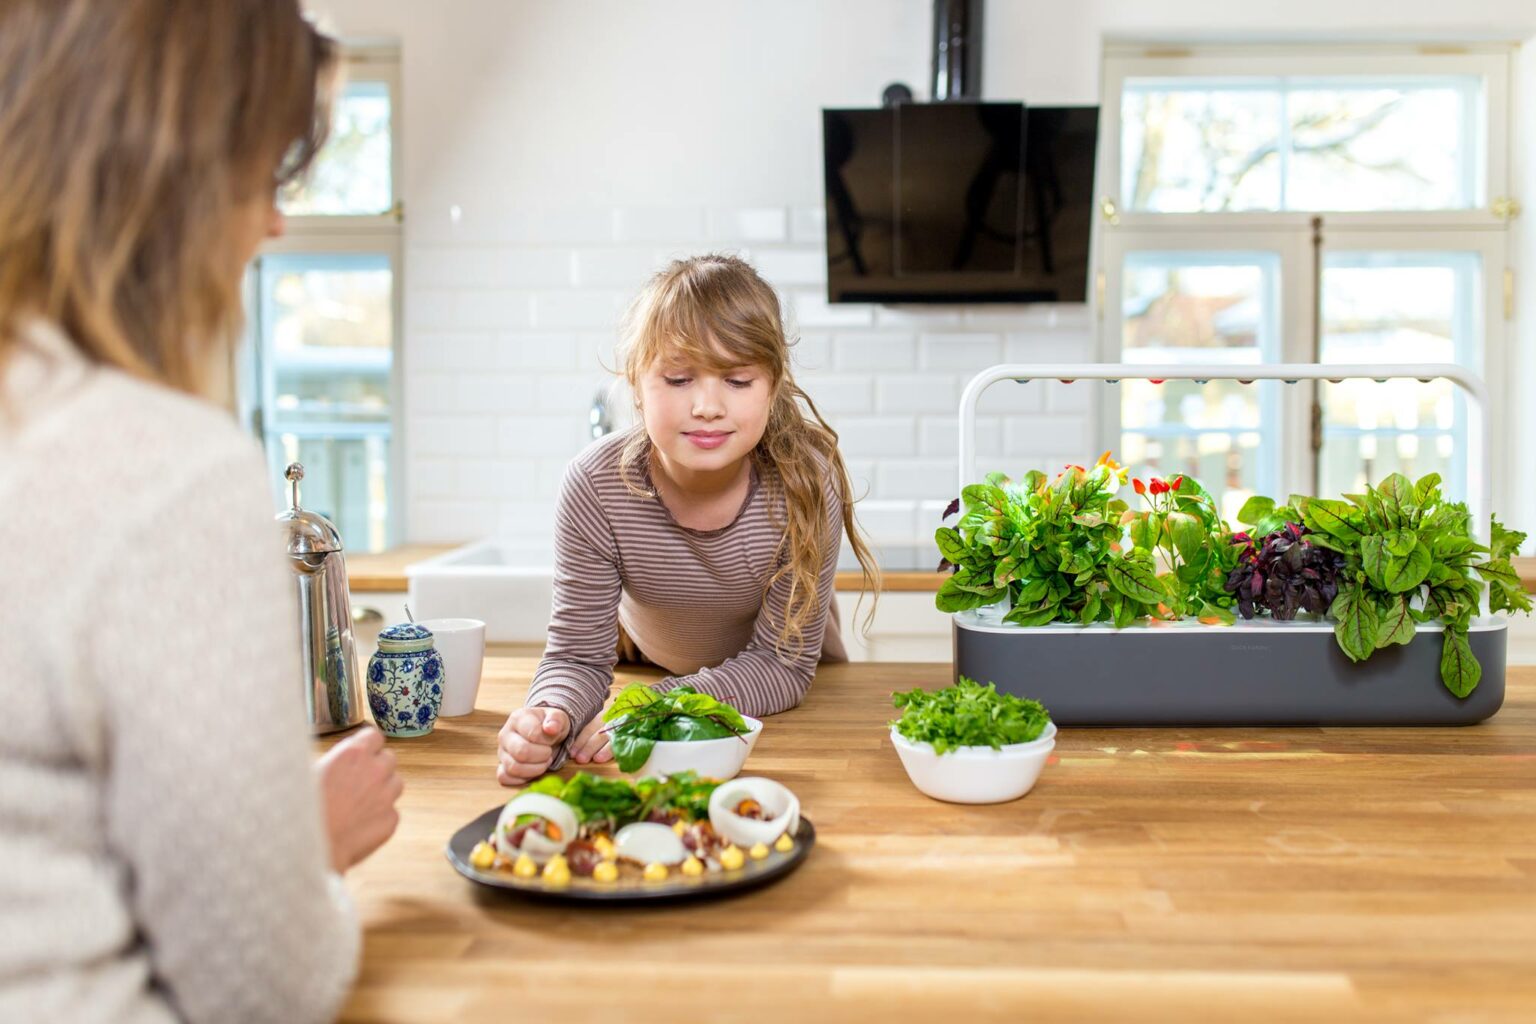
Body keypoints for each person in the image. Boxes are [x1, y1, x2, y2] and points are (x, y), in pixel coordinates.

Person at [0, 2, 402, 1021]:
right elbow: (259, 986)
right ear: (175, 169)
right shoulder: (158, 469)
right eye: (262, 170)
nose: (273, 221)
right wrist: (302, 853)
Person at [496, 253, 880, 783]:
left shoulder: (806, 484)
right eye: (678, 378)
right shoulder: (595, 485)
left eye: (738, 381)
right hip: (650, 673)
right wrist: (547, 718)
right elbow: (577, 658)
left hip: (782, 703)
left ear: (773, 386)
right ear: (636, 383)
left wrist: (659, 706)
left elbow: (780, 667)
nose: (707, 405)